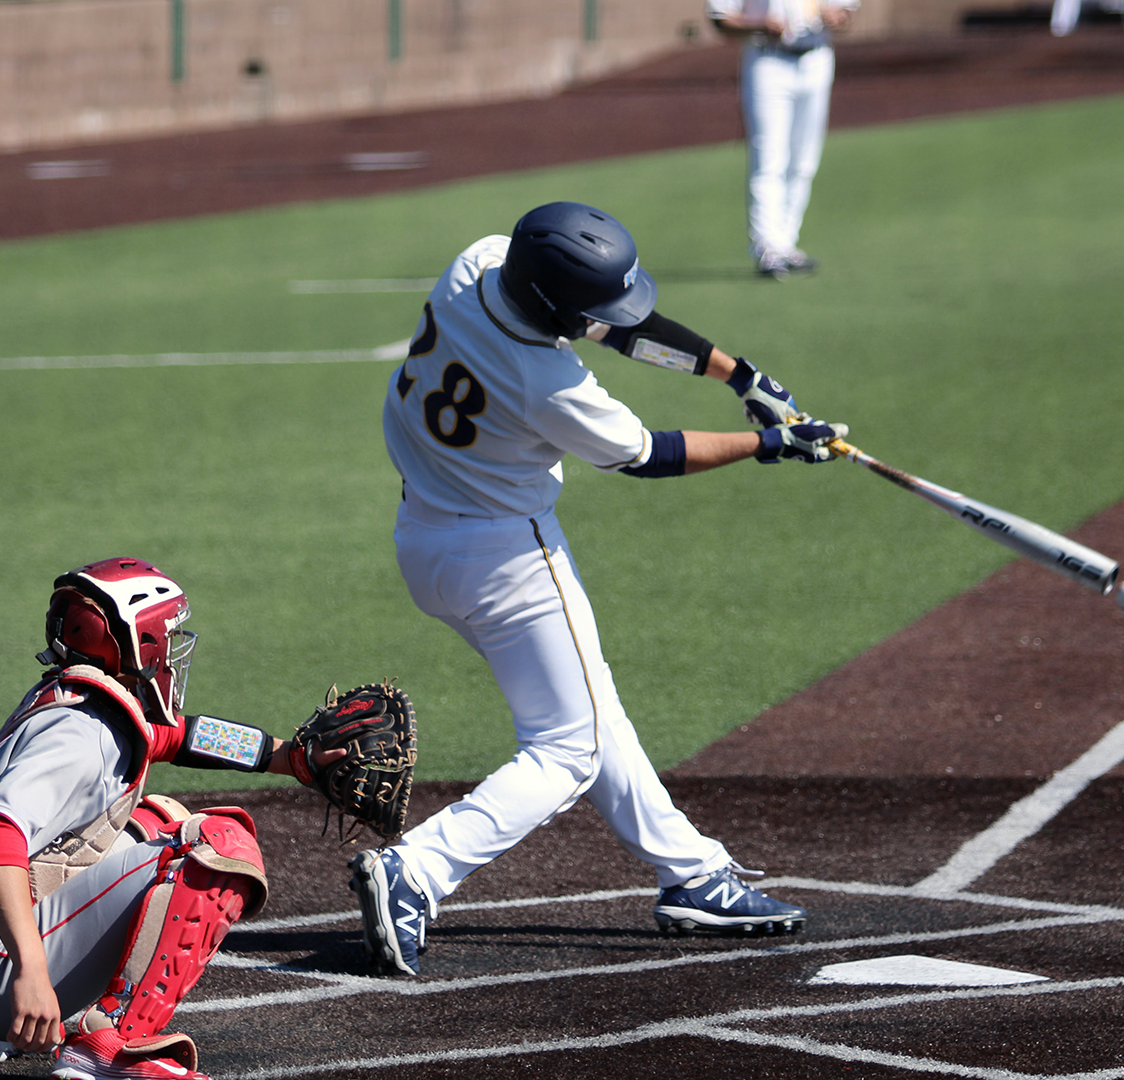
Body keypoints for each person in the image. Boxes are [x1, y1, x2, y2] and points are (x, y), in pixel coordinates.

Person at [359, 200, 845, 977]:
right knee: (567, 749)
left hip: (423, 539)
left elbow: (611, 324)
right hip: (508, 561)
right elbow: (648, 454)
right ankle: (418, 868)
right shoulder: (546, 382)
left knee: (588, 708)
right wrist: (770, 442)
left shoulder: (479, 263)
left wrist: (741, 376)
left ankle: (691, 875)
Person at [0, 557, 346, 1080]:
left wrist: (288, 757)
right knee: (221, 845)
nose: (172, 651)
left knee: (158, 818)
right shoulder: (82, 733)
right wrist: (29, 973)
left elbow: (179, 736)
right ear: (138, 643)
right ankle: (111, 1044)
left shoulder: (81, 702)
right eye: (165, 636)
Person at [708, 0, 859, 279]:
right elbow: (720, 18)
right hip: (768, 59)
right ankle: (768, 248)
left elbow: (846, 10)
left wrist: (837, 17)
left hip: (817, 58)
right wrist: (759, 25)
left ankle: (786, 242)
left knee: (804, 159)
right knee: (768, 158)